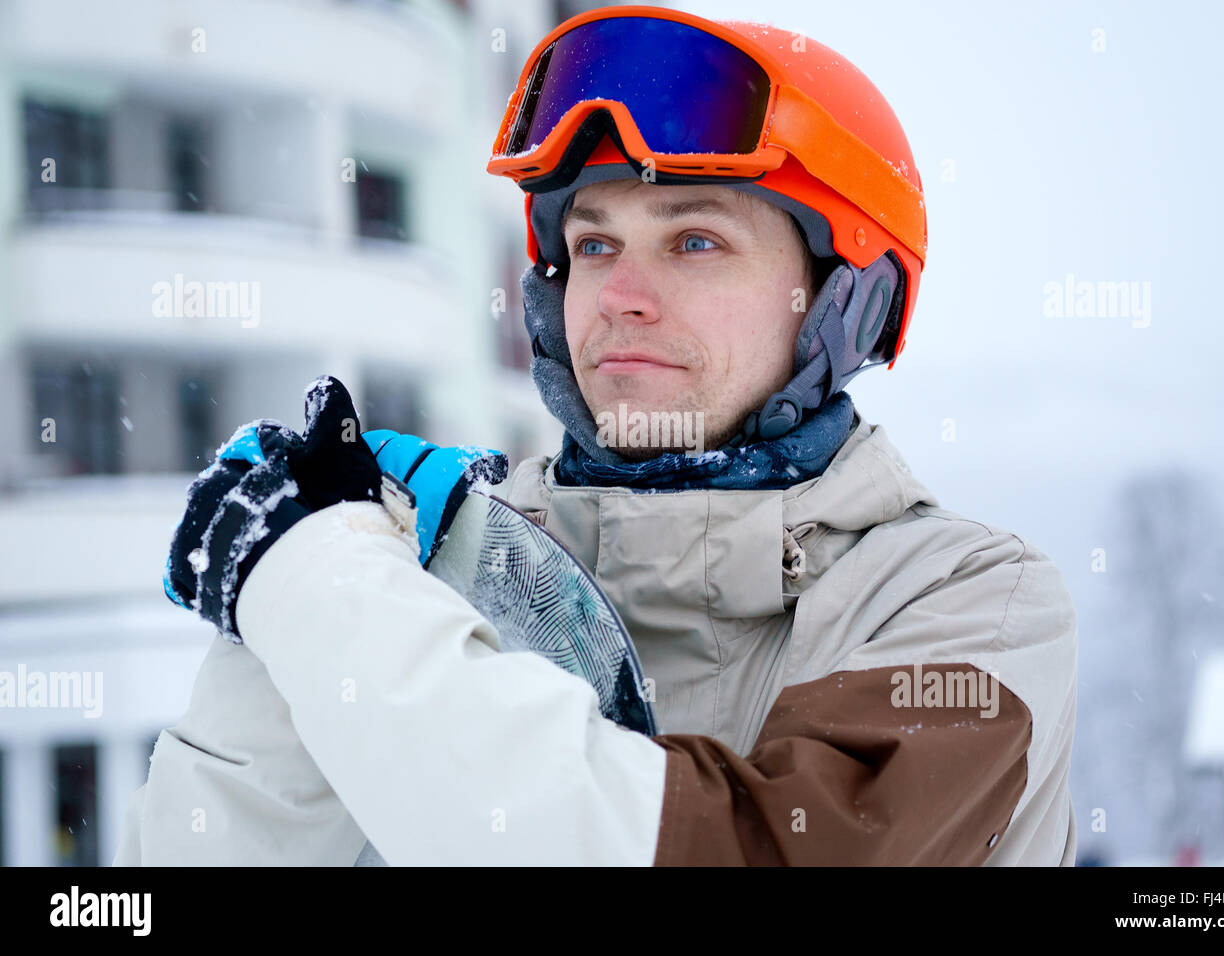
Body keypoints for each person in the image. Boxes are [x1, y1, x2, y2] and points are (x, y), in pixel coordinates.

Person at [115, 6, 1078, 866]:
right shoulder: (433, 559)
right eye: (594, 245)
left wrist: (323, 586)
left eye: (695, 241)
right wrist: (304, 581)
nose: (619, 298)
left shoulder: (969, 605)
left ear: (841, 302)